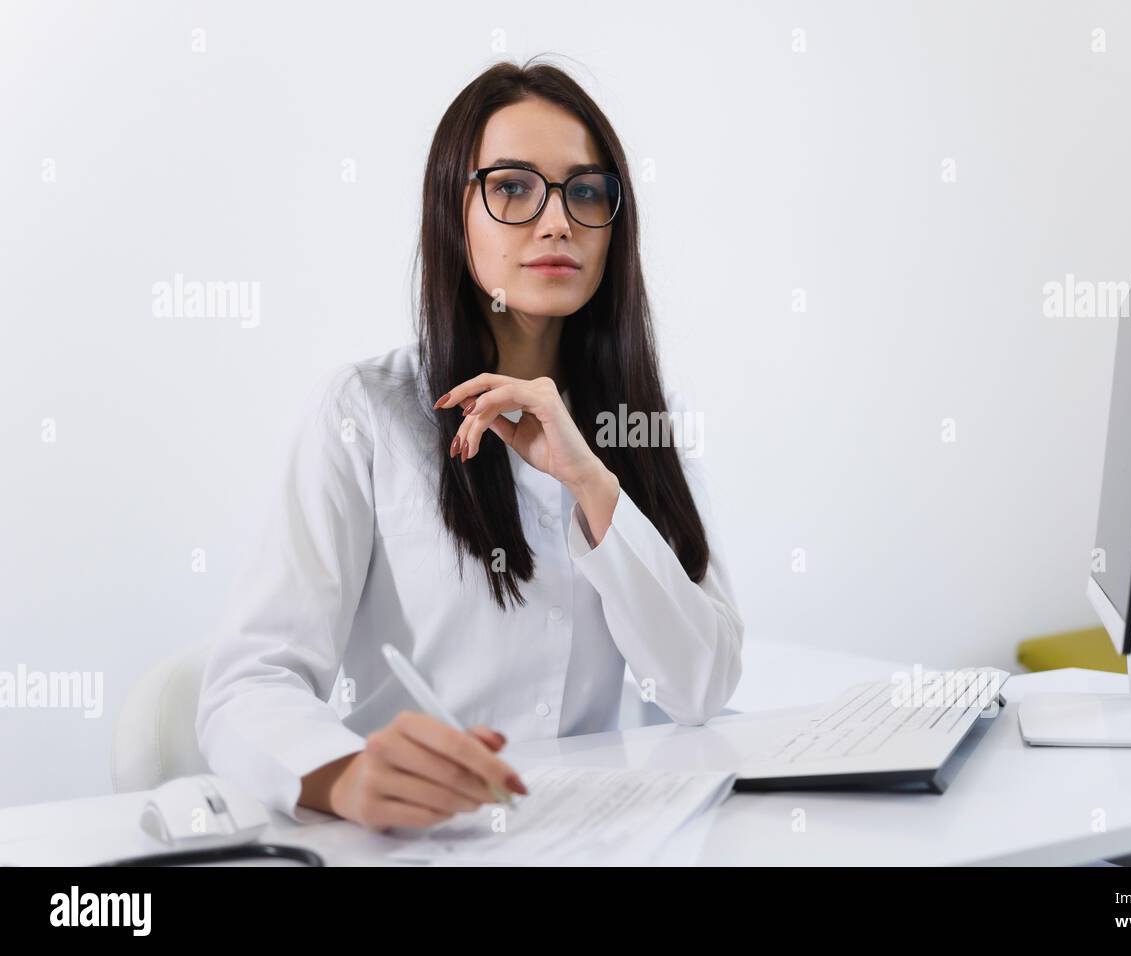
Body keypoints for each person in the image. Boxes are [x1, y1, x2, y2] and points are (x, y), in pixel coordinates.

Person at [195, 57, 744, 832]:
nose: (557, 221)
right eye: (513, 188)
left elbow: (702, 686)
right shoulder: (365, 413)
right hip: (418, 841)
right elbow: (246, 686)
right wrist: (346, 778)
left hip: (595, 836)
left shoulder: (643, 425)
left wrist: (594, 488)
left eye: (586, 191)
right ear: (453, 217)